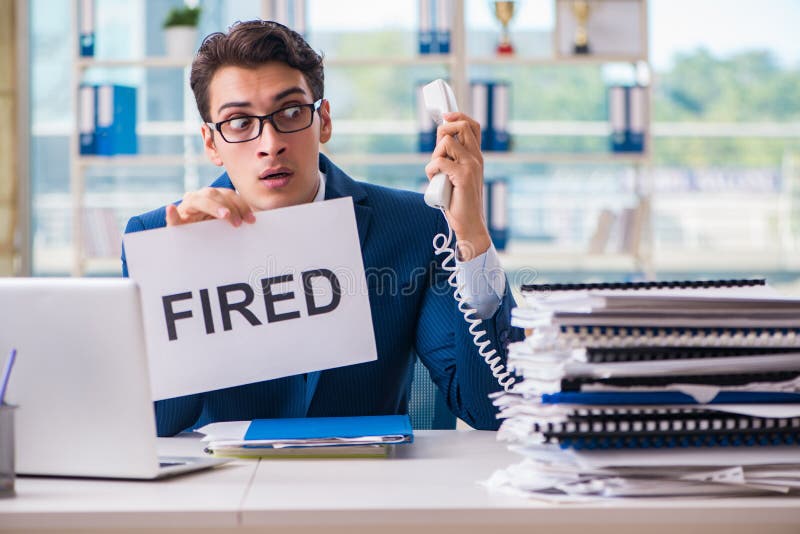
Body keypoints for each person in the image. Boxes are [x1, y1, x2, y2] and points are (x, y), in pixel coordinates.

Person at [122, 20, 522, 437]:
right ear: (211, 144)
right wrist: (182, 279)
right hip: (226, 489)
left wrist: (472, 235)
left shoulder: (415, 227)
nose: (270, 142)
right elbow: (156, 424)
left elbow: (492, 411)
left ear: (323, 122)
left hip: (360, 489)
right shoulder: (158, 239)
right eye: (240, 122)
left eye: (291, 112)